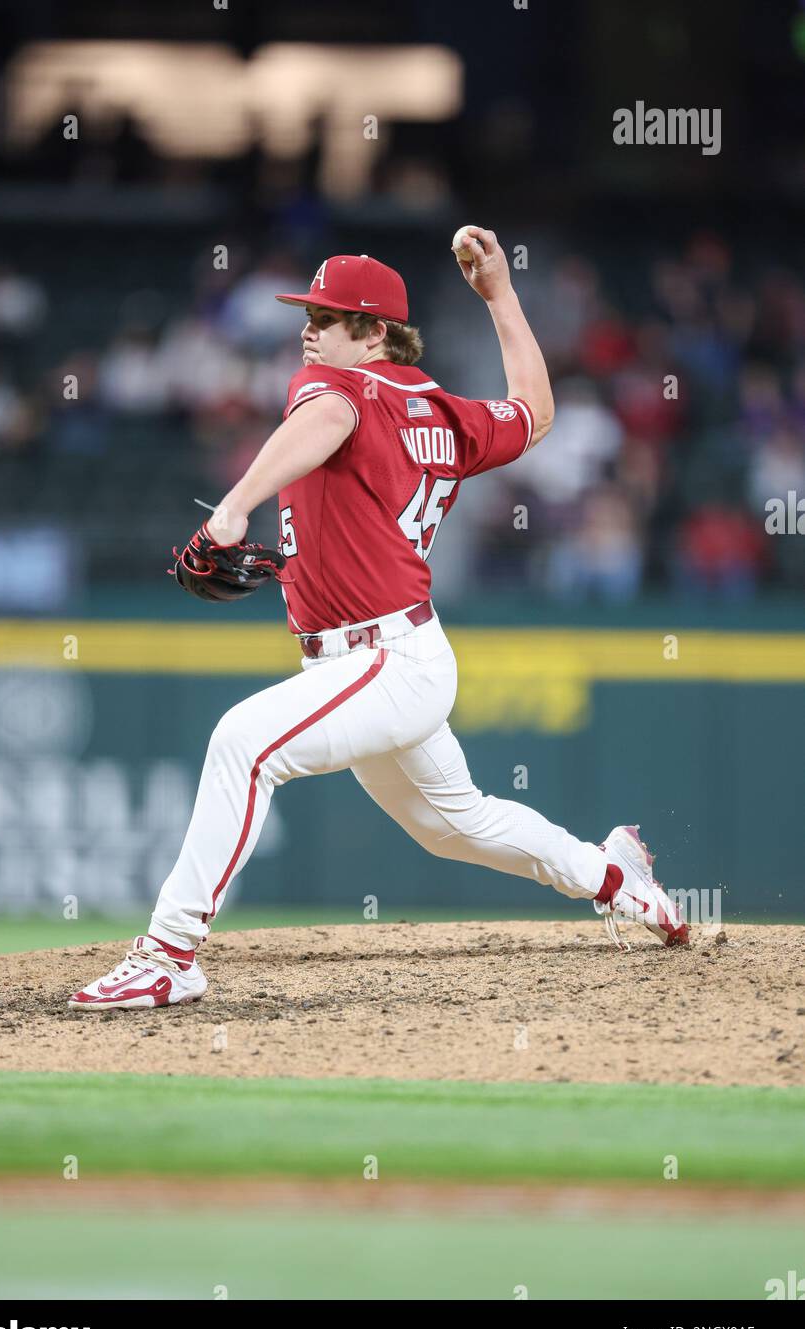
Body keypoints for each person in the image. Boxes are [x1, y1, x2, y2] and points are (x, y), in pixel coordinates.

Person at [69, 228, 688, 1010]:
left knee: (243, 744)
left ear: (374, 334)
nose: (309, 327)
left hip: (383, 659)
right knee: (455, 824)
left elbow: (326, 420)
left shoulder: (340, 387)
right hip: (391, 659)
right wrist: (499, 295)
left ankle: (169, 954)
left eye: (328, 316)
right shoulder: (442, 412)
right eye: (310, 311)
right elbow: (535, 411)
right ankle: (612, 874)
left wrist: (232, 507)